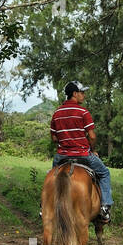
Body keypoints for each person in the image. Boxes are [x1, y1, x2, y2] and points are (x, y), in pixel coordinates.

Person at [49, 82, 113, 222]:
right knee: (104, 173)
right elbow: (92, 136)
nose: (84, 95)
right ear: (74, 94)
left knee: (52, 176)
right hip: (83, 155)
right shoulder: (83, 112)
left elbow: (54, 138)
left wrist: (65, 140)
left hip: (62, 156)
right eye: (82, 92)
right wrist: (93, 150)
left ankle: (44, 206)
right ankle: (105, 208)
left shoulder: (56, 113)